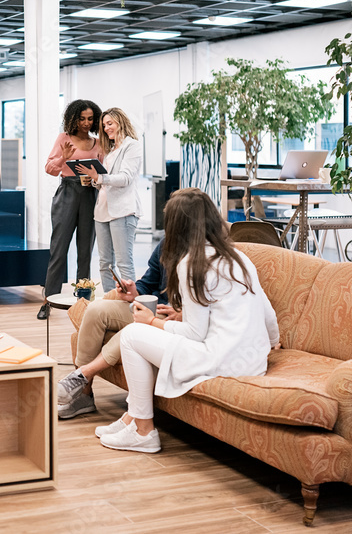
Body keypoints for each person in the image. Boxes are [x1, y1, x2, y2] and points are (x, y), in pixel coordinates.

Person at [96, 188, 280, 454]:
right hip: (254, 362)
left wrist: (151, 321)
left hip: (220, 360)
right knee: (142, 337)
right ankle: (131, 418)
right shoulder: (239, 258)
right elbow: (268, 313)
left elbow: (195, 333)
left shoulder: (191, 263)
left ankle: (143, 431)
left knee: (132, 335)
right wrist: (274, 341)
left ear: (176, 227)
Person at [56, 237, 178, 419]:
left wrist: (183, 312)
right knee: (95, 310)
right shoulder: (167, 243)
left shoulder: (206, 252)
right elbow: (149, 282)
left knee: (134, 329)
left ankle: (81, 375)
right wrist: (134, 292)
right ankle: (84, 395)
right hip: (154, 307)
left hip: (172, 319)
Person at [36, 99, 103, 321]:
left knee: (85, 253)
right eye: (82, 118)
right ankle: (48, 301)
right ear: (73, 118)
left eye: (90, 119)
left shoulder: (98, 143)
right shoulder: (63, 138)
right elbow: (50, 169)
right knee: (58, 250)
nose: (86, 123)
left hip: (90, 195)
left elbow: (105, 172)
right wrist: (64, 157)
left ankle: (83, 304)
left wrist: (95, 178)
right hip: (66, 194)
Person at [76, 107, 141, 292]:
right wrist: (93, 180)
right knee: (105, 264)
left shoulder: (132, 146)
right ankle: (109, 302)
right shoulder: (111, 151)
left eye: (110, 123)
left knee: (124, 263)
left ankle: (129, 305)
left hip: (123, 212)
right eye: (104, 125)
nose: (106, 128)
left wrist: (99, 177)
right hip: (102, 212)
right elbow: (104, 182)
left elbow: (126, 178)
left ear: (121, 122)